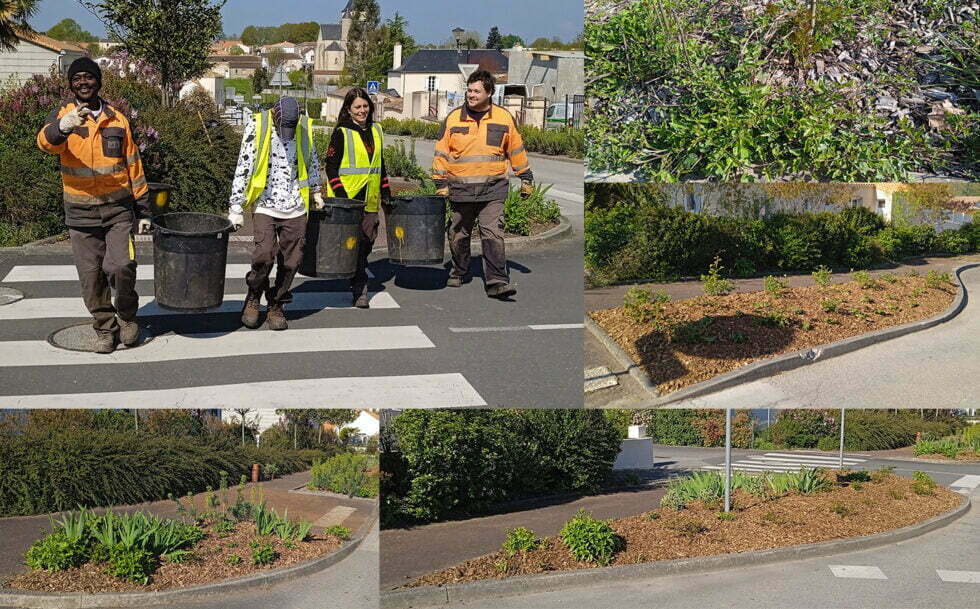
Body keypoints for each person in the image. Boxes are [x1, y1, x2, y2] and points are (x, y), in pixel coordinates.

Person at [37, 57, 151, 353]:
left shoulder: (117, 119)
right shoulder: (63, 114)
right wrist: (62, 127)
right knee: (91, 277)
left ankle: (127, 317)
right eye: (77, 79)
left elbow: (133, 164)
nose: (83, 82)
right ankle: (105, 328)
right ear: (71, 84)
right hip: (80, 214)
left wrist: (144, 210)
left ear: (99, 82)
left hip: (118, 212)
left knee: (122, 265)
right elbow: (44, 143)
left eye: (89, 77)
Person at [432, 69, 534, 299]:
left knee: (492, 233)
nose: (471, 94)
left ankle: (497, 281)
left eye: (476, 91)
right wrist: (440, 182)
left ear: (489, 93)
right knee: (458, 233)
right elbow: (441, 152)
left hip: (493, 189)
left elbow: (516, 149)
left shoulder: (503, 118)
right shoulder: (453, 118)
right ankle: (459, 270)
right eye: (469, 90)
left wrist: (525, 177)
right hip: (460, 189)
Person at [227, 96, 322, 330]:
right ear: (275, 117)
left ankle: (276, 303)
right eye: (282, 129)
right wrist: (236, 207)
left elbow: (311, 161)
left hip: (295, 204)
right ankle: (253, 294)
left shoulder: (302, 129)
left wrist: (316, 190)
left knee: (292, 261)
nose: (285, 134)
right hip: (264, 203)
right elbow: (244, 166)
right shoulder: (257, 126)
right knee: (264, 255)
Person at [323, 87, 391, 308]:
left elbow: (380, 166)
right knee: (356, 242)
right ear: (349, 110)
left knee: (367, 241)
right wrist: (342, 196)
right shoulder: (341, 132)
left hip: (370, 198)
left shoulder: (377, 130)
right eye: (357, 107)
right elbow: (331, 168)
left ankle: (354, 272)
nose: (362, 110)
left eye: (365, 106)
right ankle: (360, 287)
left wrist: (386, 192)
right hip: (349, 199)